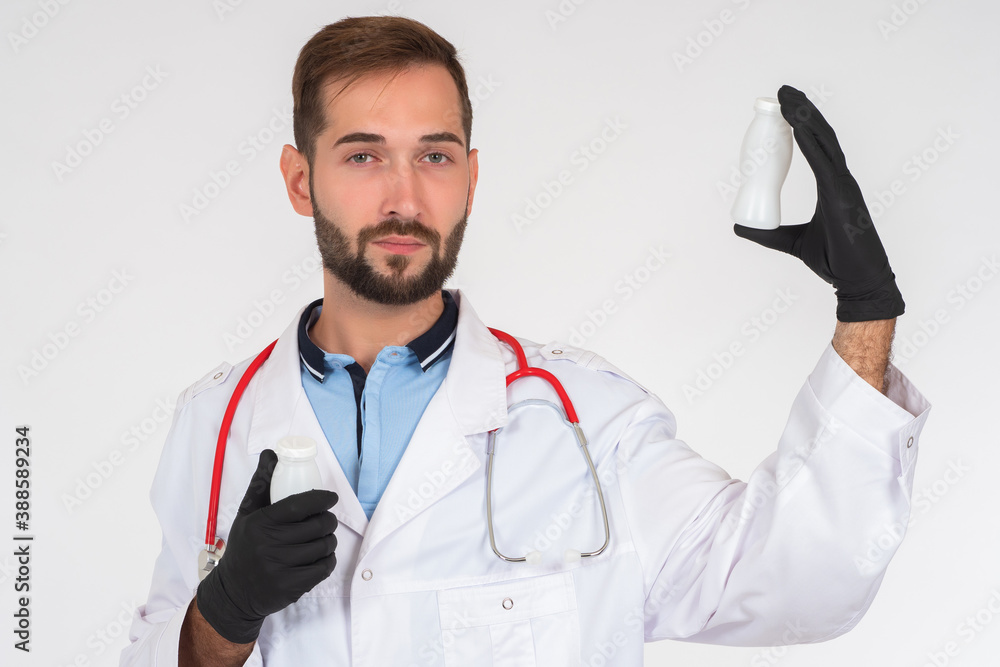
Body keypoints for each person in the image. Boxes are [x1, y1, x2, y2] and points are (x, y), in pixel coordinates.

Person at [121, 15, 931, 667]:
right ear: (302, 181)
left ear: (470, 177)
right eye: (363, 154)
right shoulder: (215, 423)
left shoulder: (588, 423)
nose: (404, 197)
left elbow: (798, 582)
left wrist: (865, 311)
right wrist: (222, 615)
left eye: (433, 155)